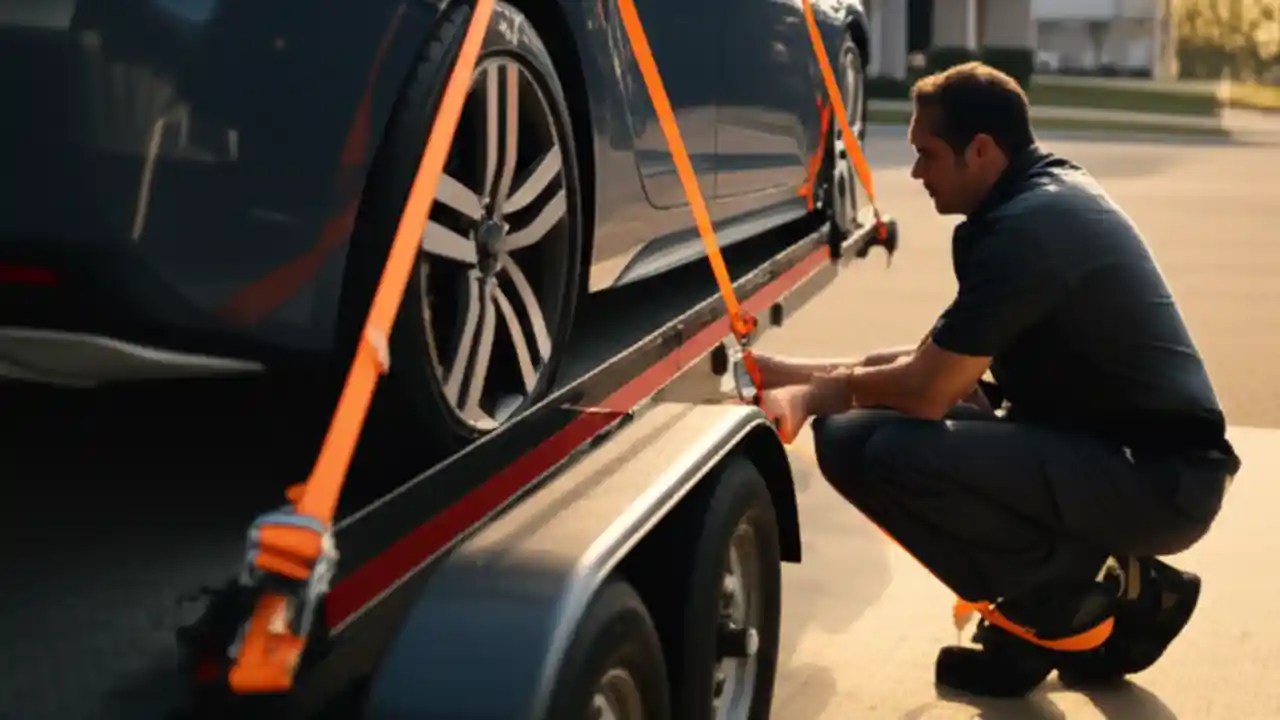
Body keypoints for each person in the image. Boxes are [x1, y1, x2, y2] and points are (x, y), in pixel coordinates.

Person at [757, 61, 1242, 697]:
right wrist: (783, 374)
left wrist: (814, 393)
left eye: (927, 154)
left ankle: (1101, 590)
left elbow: (927, 392)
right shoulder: (1028, 201)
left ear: (980, 151)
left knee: (900, 452)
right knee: (848, 437)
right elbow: (934, 366)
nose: (916, 173)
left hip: (1159, 476)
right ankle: (1056, 607)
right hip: (1094, 452)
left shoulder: (1031, 229)